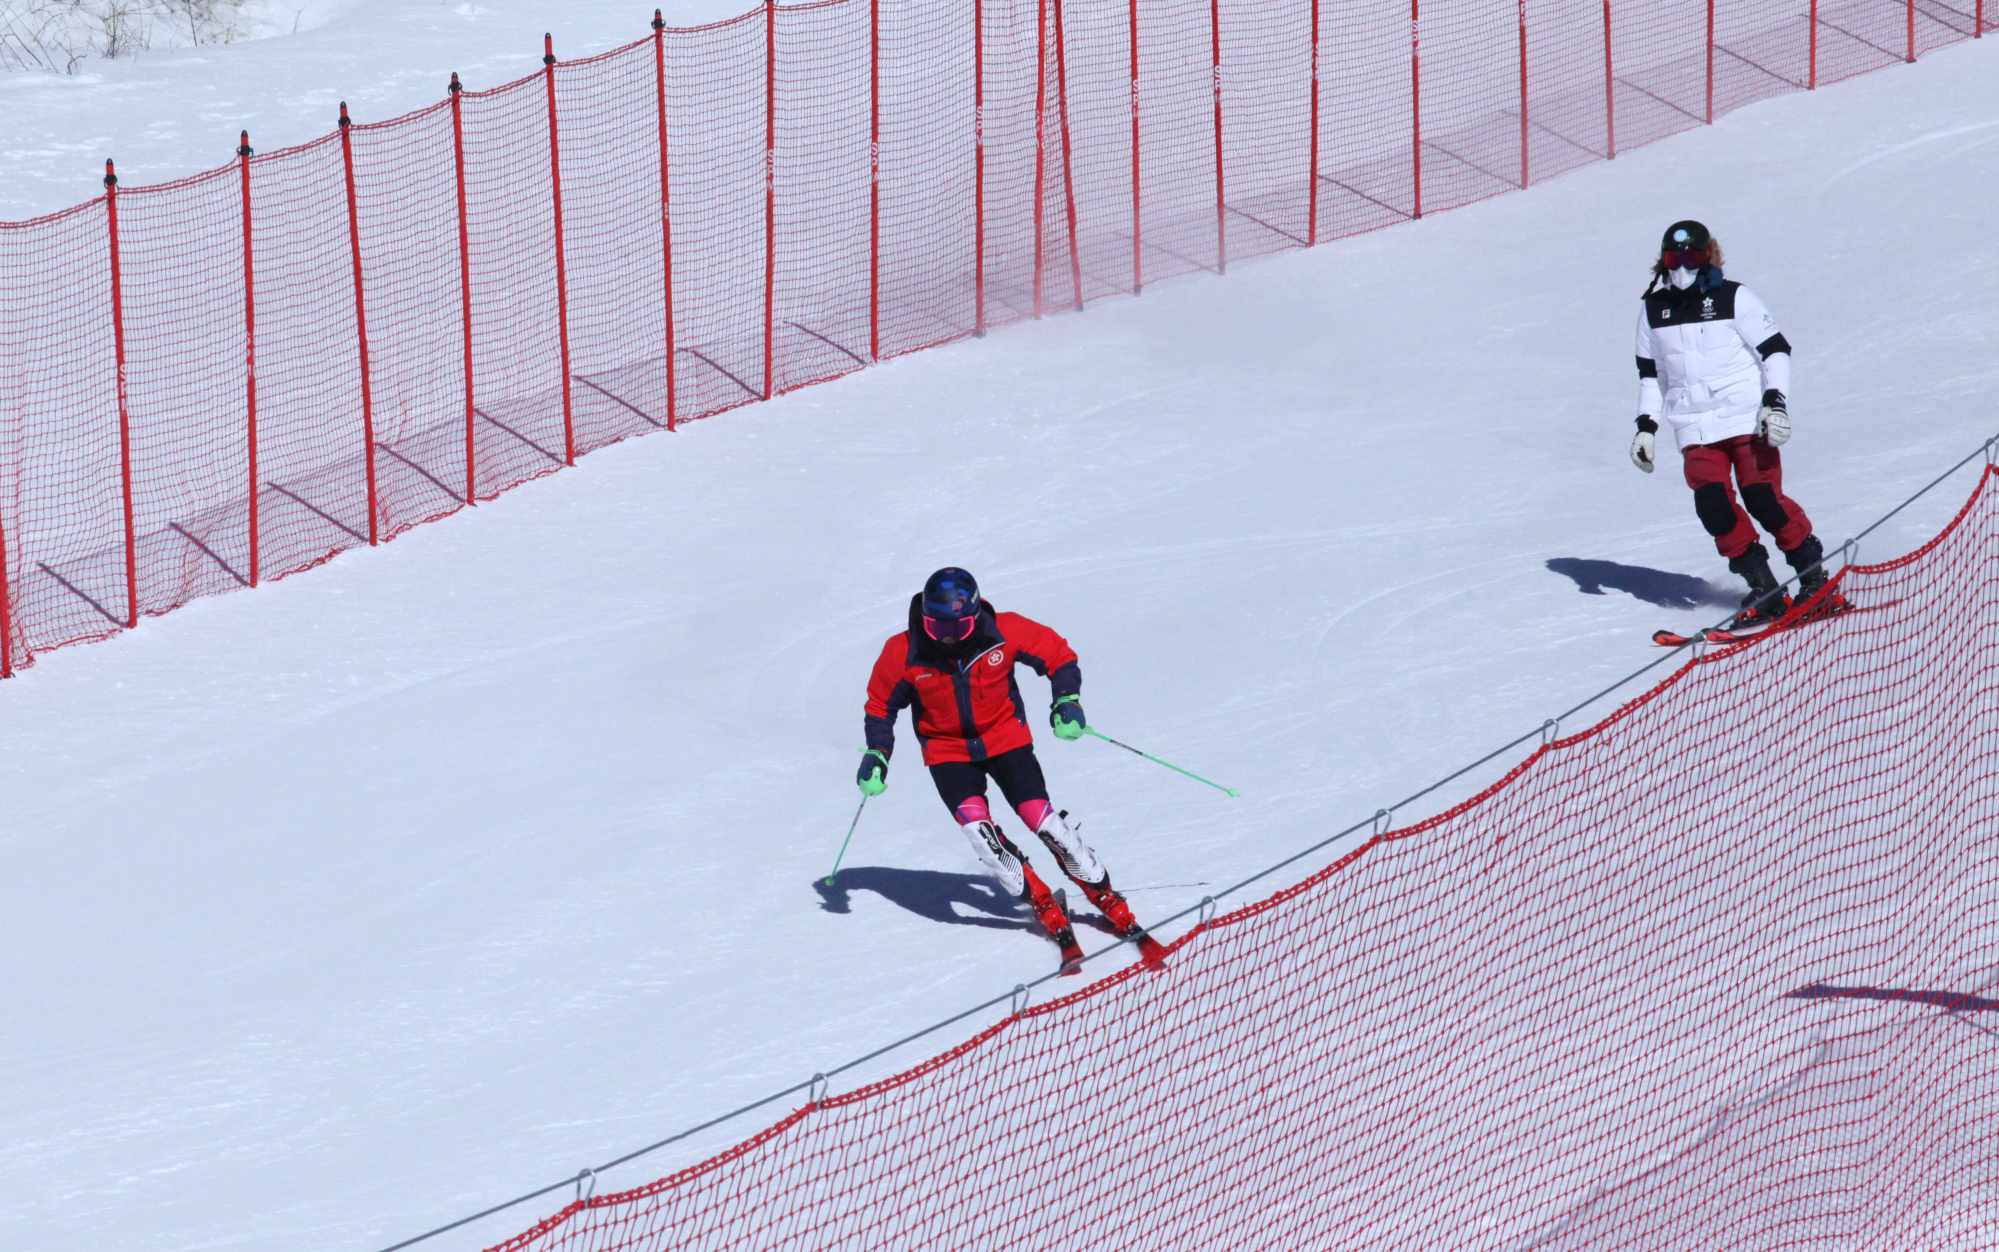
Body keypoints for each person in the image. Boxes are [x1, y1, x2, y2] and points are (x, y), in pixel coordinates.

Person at [856, 568, 1147, 962]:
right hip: (948, 751)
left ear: (974, 616)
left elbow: (1059, 655)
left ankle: (1102, 891)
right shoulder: (904, 651)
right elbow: (880, 705)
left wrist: (1066, 700)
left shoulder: (1004, 631)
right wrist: (877, 754)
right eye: (936, 626)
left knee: (1041, 820)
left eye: (957, 627)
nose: (946, 637)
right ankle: (1039, 897)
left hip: (1006, 739)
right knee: (981, 834)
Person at [1628, 220, 1842, 627]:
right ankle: (1764, 588)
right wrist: (1646, 426)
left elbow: (1775, 350)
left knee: (1762, 498)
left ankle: (1814, 579)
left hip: (1745, 418)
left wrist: (1775, 403)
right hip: (1694, 425)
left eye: (1692, 257)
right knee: (1714, 506)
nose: (1683, 268)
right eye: (1674, 259)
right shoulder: (1653, 310)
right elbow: (1651, 375)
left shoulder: (1734, 297)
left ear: (1709, 256)